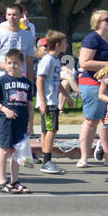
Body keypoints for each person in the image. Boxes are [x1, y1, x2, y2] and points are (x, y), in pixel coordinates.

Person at [0, 3, 38, 165]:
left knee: (21, 117)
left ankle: (23, 149)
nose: (12, 18)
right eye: (9, 15)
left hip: (21, 84)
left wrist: (31, 83)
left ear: (21, 15)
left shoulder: (27, 37)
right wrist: (6, 67)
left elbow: (30, 62)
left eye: (15, 15)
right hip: (1, 83)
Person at [74, 8, 108, 170]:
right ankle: (84, 157)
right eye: (106, 19)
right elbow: (84, 62)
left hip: (107, 84)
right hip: (91, 83)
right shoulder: (92, 39)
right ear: (97, 22)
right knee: (91, 120)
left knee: (106, 122)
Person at [0, 49, 34, 193]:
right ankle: (3, 182)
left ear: (22, 64)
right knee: (5, 150)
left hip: (21, 122)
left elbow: (30, 105)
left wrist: (31, 124)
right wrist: (5, 110)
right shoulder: (2, 80)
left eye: (15, 63)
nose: (12, 65)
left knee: (16, 151)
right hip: (7, 122)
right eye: (9, 62)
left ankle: (15, 181)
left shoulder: (27, 83)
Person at [36, 32, 67, 174]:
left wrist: (68, 96)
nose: (67, 45)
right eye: (65, 42)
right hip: (48, 101)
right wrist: (43, 102)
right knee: (51, 130)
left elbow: (56, 82)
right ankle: (47, 162)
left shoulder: (55, 59)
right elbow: (40, 80)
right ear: (58, 44)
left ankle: (45, 158)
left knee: (46, 130)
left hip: (52, 99)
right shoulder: (48, 60)